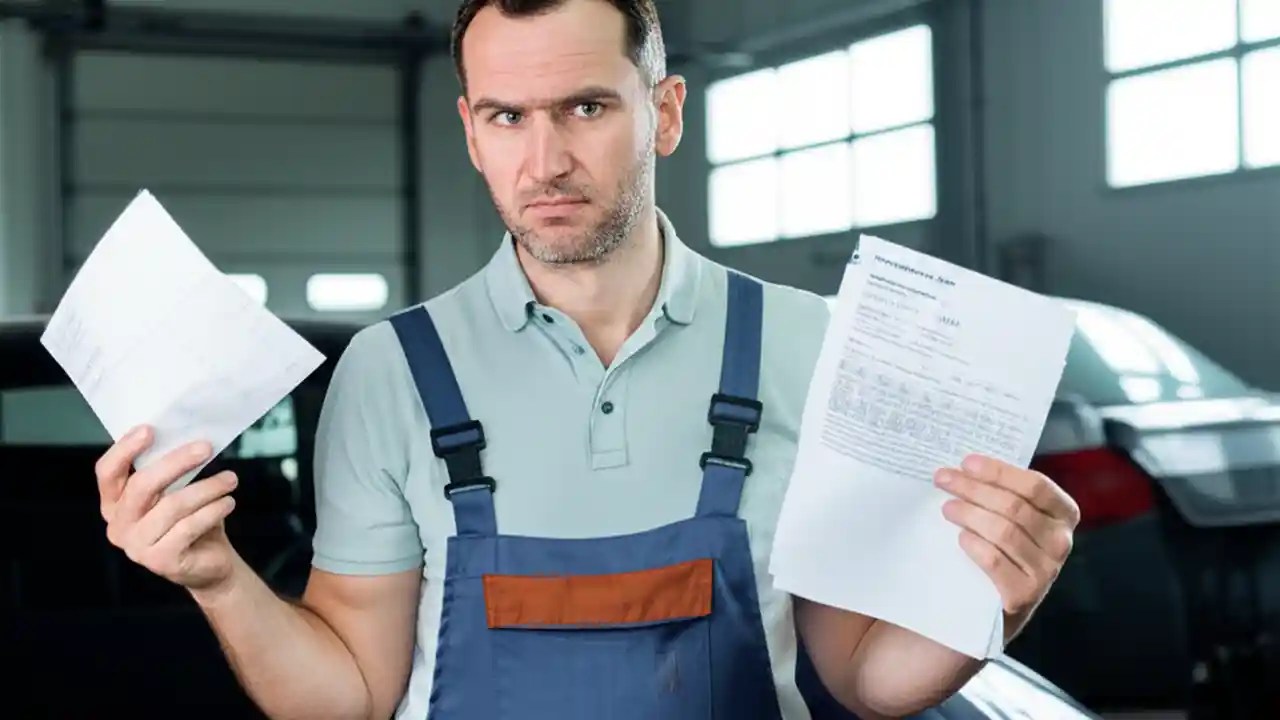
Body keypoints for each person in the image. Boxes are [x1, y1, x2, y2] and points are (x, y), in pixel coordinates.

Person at [93, 0, 1081, 718]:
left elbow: (857, 679)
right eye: (506, 117)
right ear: (470, 132)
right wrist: (217, 578)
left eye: (586, 108)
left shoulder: (805, 343)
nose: (545, 160)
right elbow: (347, 694)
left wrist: (988, 601)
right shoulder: (390, 371)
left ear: (663, 112)